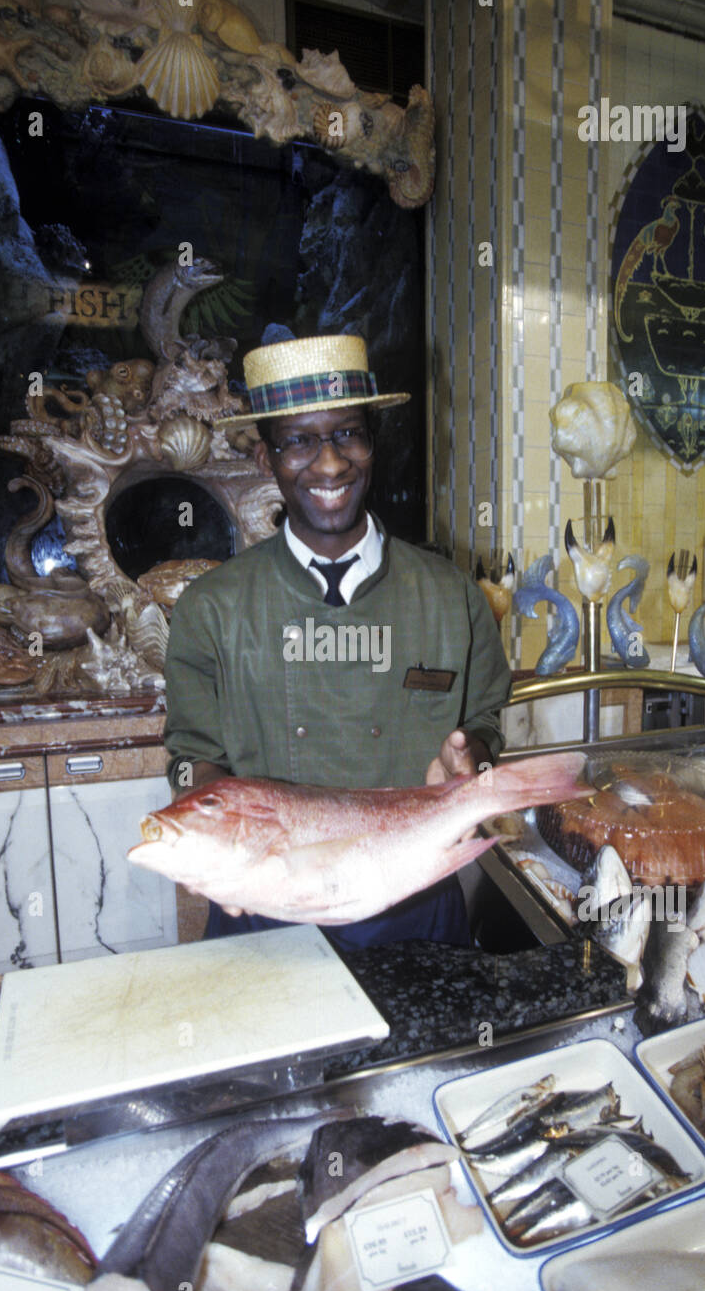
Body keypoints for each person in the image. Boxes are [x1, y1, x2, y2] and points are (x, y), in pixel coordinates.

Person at [163, 333, 512, 949]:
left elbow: (484, 722)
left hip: (416, 905)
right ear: (267, 458)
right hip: (267, 913)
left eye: (348, 434)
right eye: (298, 440)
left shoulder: (451, 594)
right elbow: (192, 756)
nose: (329, 463)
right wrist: (214, 842)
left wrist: (471, 764)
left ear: (372, 444)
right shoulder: (211, 609)